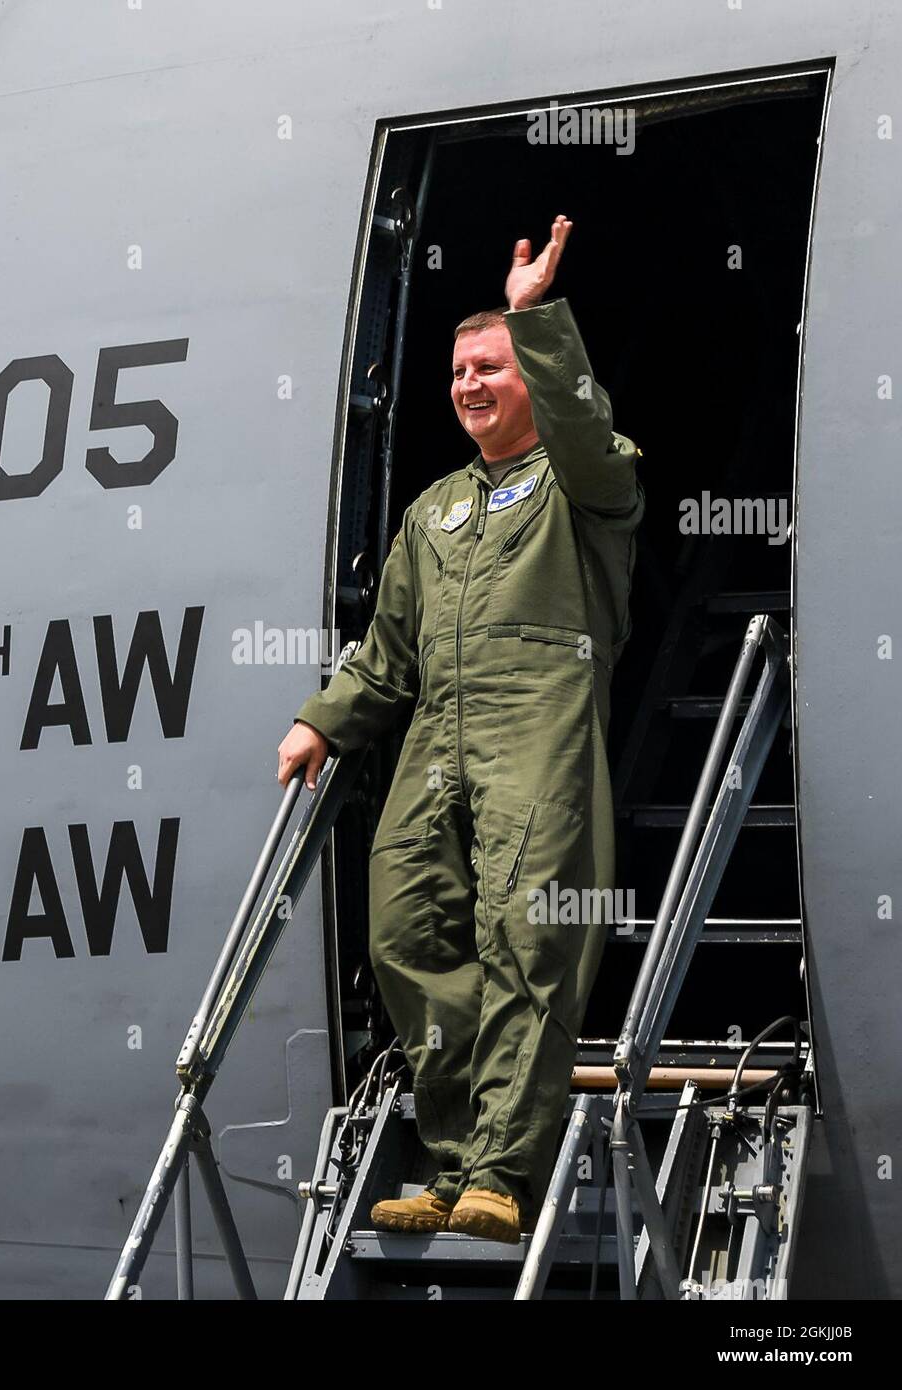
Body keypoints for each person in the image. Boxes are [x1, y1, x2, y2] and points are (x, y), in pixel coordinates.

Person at [276, 216, 644, 1241]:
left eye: (489, 365)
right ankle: (449, 1161)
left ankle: (501, 1169)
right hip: (435, 745)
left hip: (536, 734)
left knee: (525, 938)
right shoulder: (435, 511)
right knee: (406, 933)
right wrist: (322, 722)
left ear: (529, 371)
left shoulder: (586, 486)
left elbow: (580, 420)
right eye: (455, 371)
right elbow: (388, 654)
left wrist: (535, 318)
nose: (468, 384)